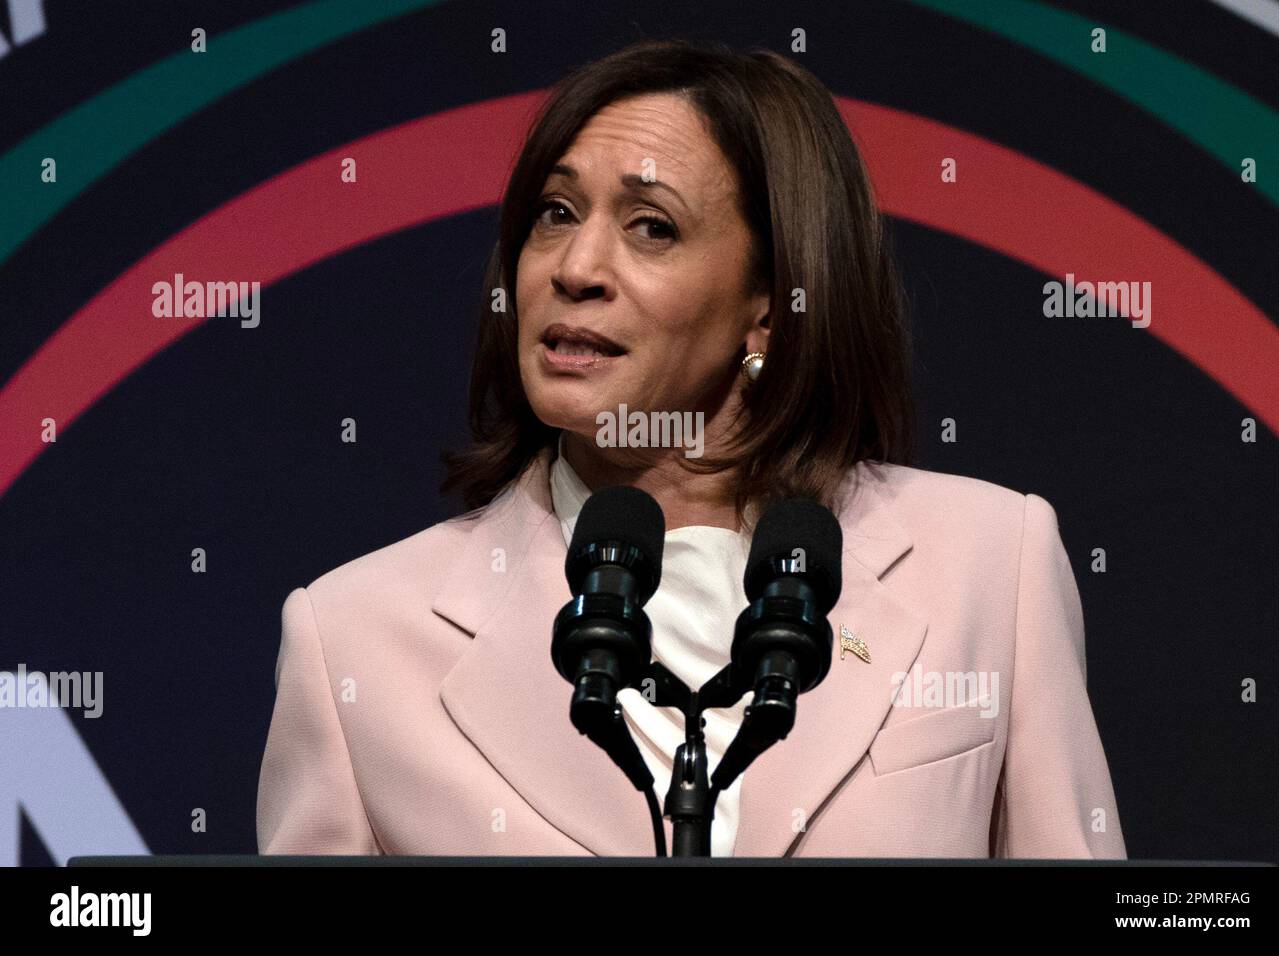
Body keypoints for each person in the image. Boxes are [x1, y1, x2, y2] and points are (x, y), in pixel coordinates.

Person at [256, 38, 1125, 858]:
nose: (576, 266)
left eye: (651, 227)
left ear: (769, 305)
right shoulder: (355, 641)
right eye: (555, 214)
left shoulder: (987, 562)